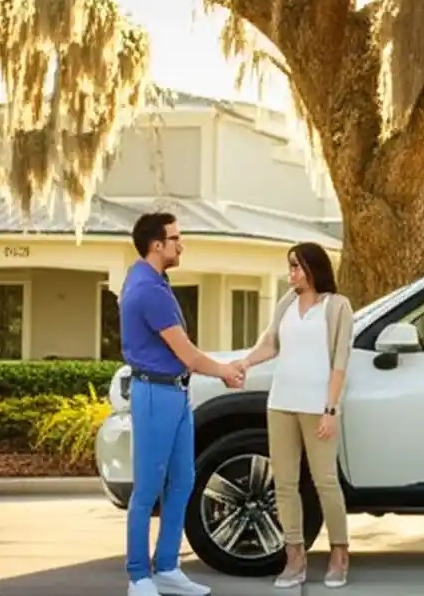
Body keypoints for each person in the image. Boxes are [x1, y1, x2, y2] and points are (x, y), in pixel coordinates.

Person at [121, 212, 245, 596]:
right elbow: (187, 353)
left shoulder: (155, 279)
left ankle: (168, 568)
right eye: (175, 238)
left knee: (184, 481)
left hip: (174, 392)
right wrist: (224, 370)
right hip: (156, 394)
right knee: (148, 489)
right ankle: (139, 576)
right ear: (157, 245)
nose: (181, 244)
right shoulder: (148, 290)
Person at [237, 241, 353, 589]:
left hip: (318, 406)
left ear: (313, 268)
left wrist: (330, 410)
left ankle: (339, 554)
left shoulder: (336, 306)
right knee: (284, 483)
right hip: (281, 403)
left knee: (325, 481)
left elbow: (339, 363)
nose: (291, 273)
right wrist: (244, 362)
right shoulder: (287, 303)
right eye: (289, 266)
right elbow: (271, 344)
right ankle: (295, 556)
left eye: (296, 266)